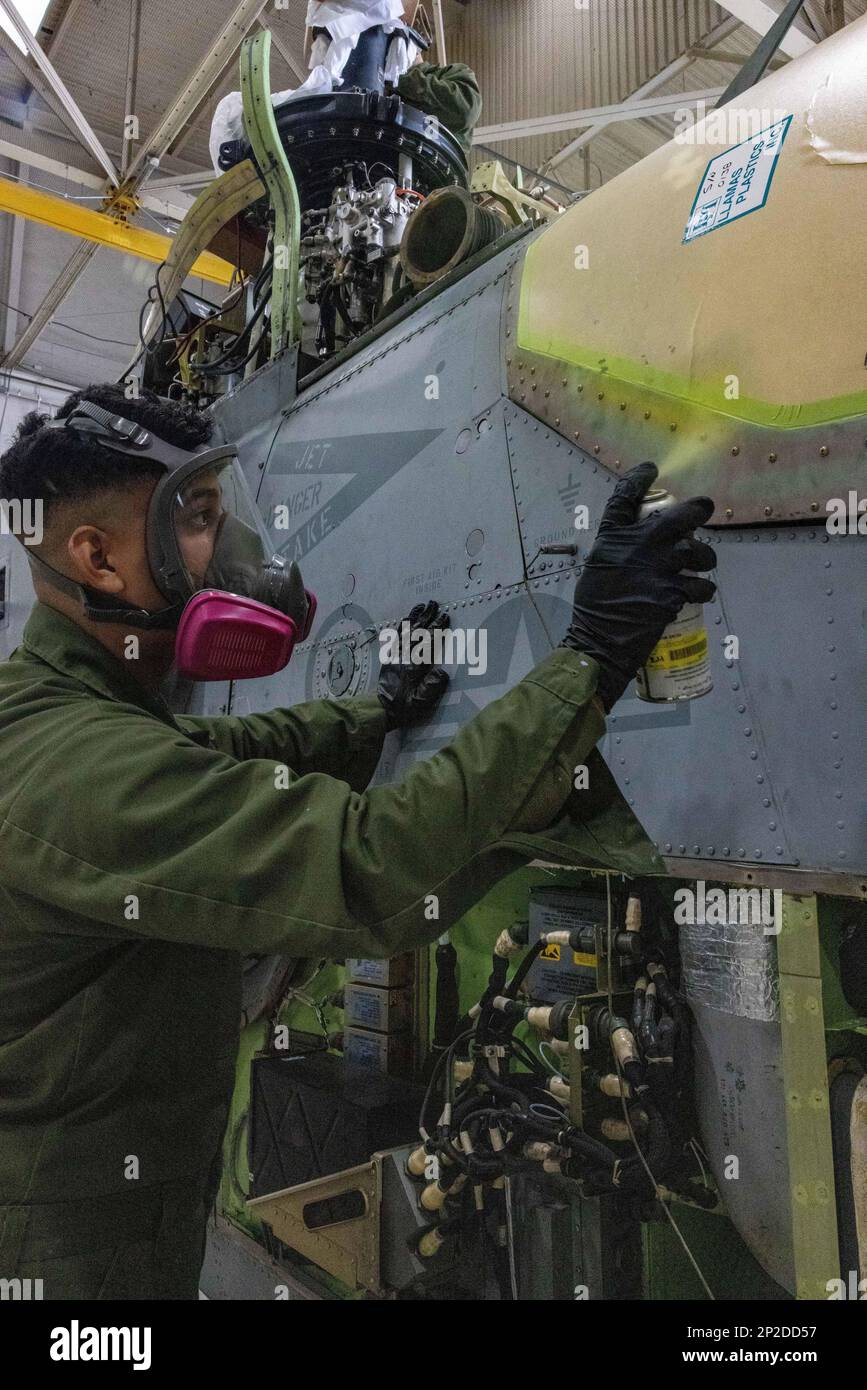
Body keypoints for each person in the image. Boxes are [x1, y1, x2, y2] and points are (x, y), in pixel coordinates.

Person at [0, 383, 715, 1298]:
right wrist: (593, 655)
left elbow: (233, 747)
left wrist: (379, 712)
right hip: (61, 1248)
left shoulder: (62, 710)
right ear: (97, 558)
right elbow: (364, 866)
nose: (235, 552)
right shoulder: (75, 768)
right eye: (200, 519)